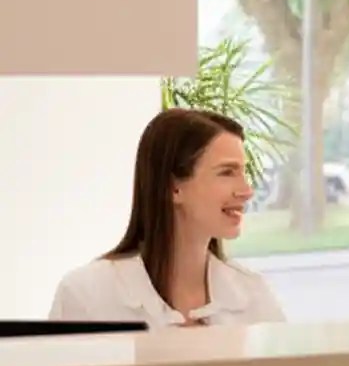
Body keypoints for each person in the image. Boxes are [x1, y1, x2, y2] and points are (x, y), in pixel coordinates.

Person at [49, 108, 285, 327]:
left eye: (243, 172)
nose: (246, 191)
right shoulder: (85, 296)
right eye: (227, 172)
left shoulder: (255, 295)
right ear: (173, 188)